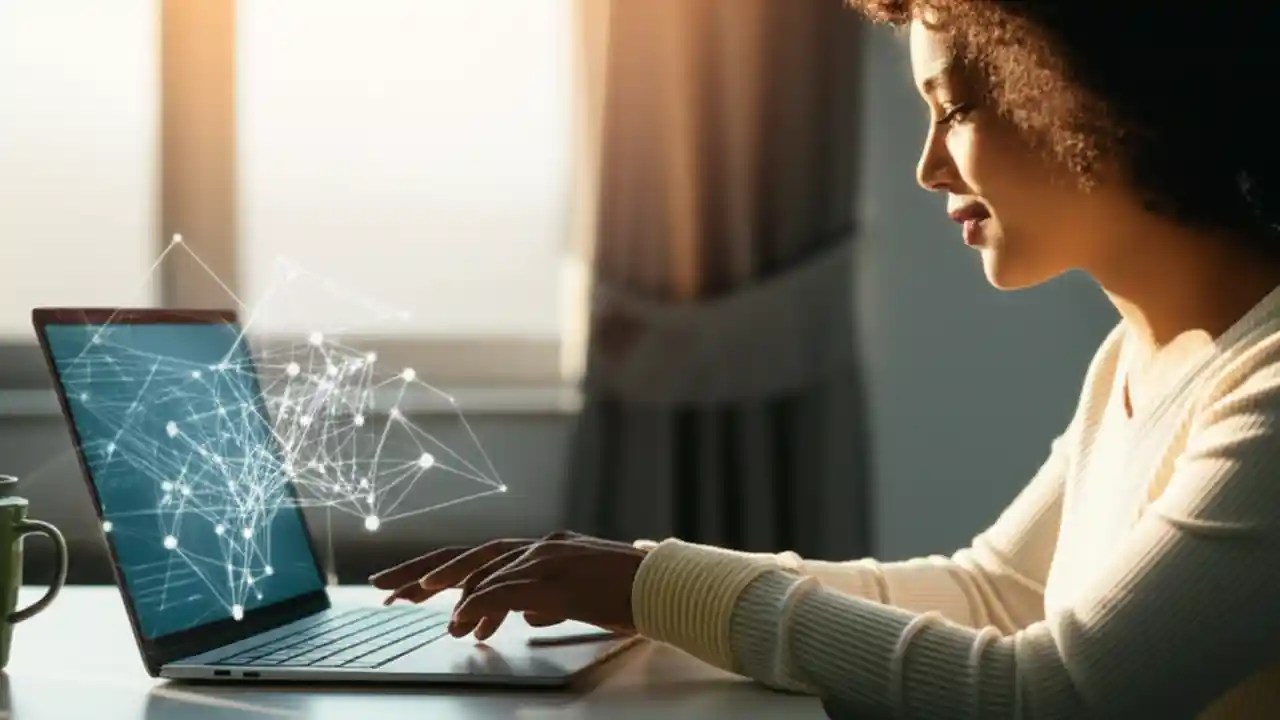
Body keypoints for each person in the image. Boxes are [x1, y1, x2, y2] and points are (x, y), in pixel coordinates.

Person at [371, 3, 1280, 717]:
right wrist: (630, 573)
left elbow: (1048, 698)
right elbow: (995, 593)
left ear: (1093, 87)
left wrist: (657, 587)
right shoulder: (1134, 356)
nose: (929, 167)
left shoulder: (1269, 392)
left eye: (956, 107)